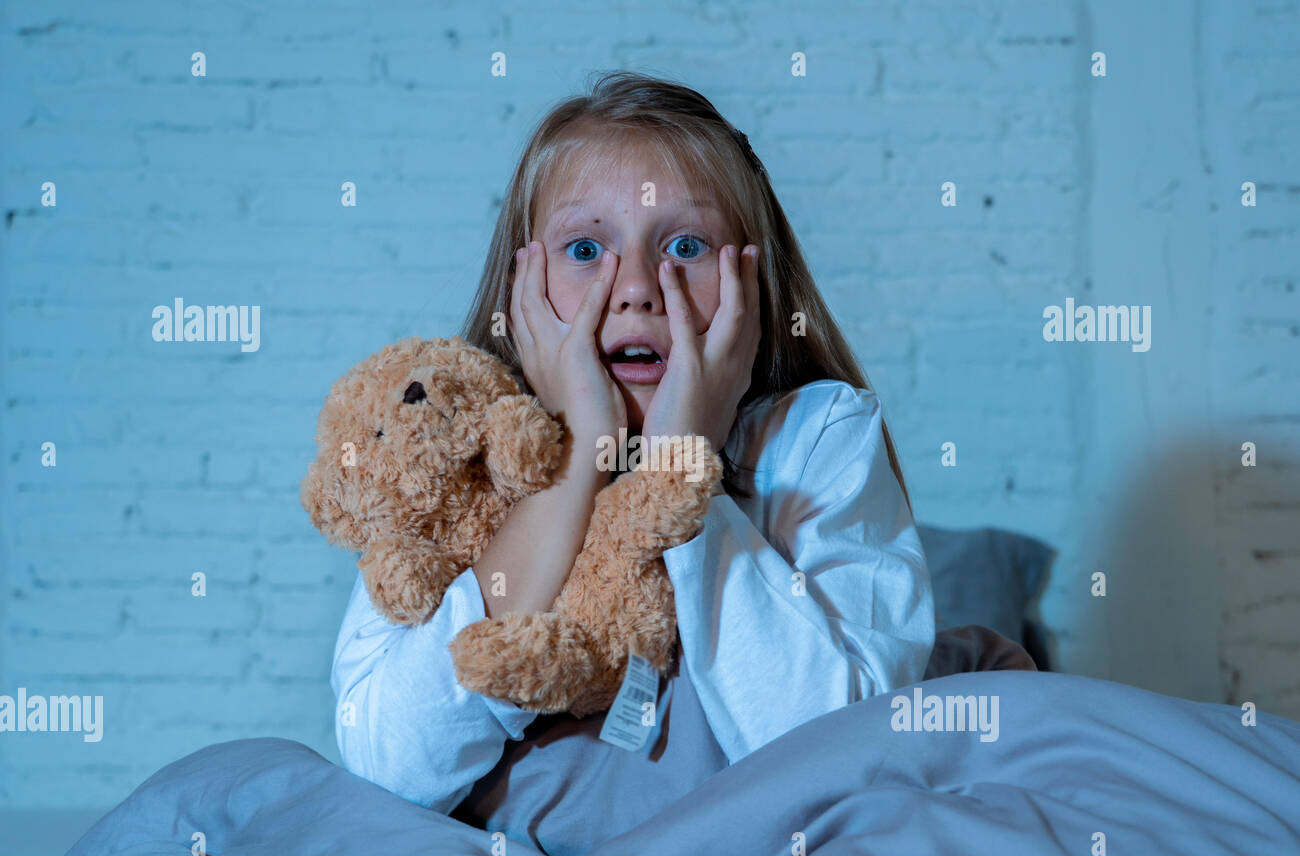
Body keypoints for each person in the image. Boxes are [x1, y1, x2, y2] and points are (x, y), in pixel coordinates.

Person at [331, 71, 935, 817]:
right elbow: (390, 767)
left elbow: (843, 757)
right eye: (586, 248)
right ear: (523, 282)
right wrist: (579, 455)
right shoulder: (449, 459)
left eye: (685, 244)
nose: (639, 287)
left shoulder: (816, 439)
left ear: (755, 277)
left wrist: (681, 464)